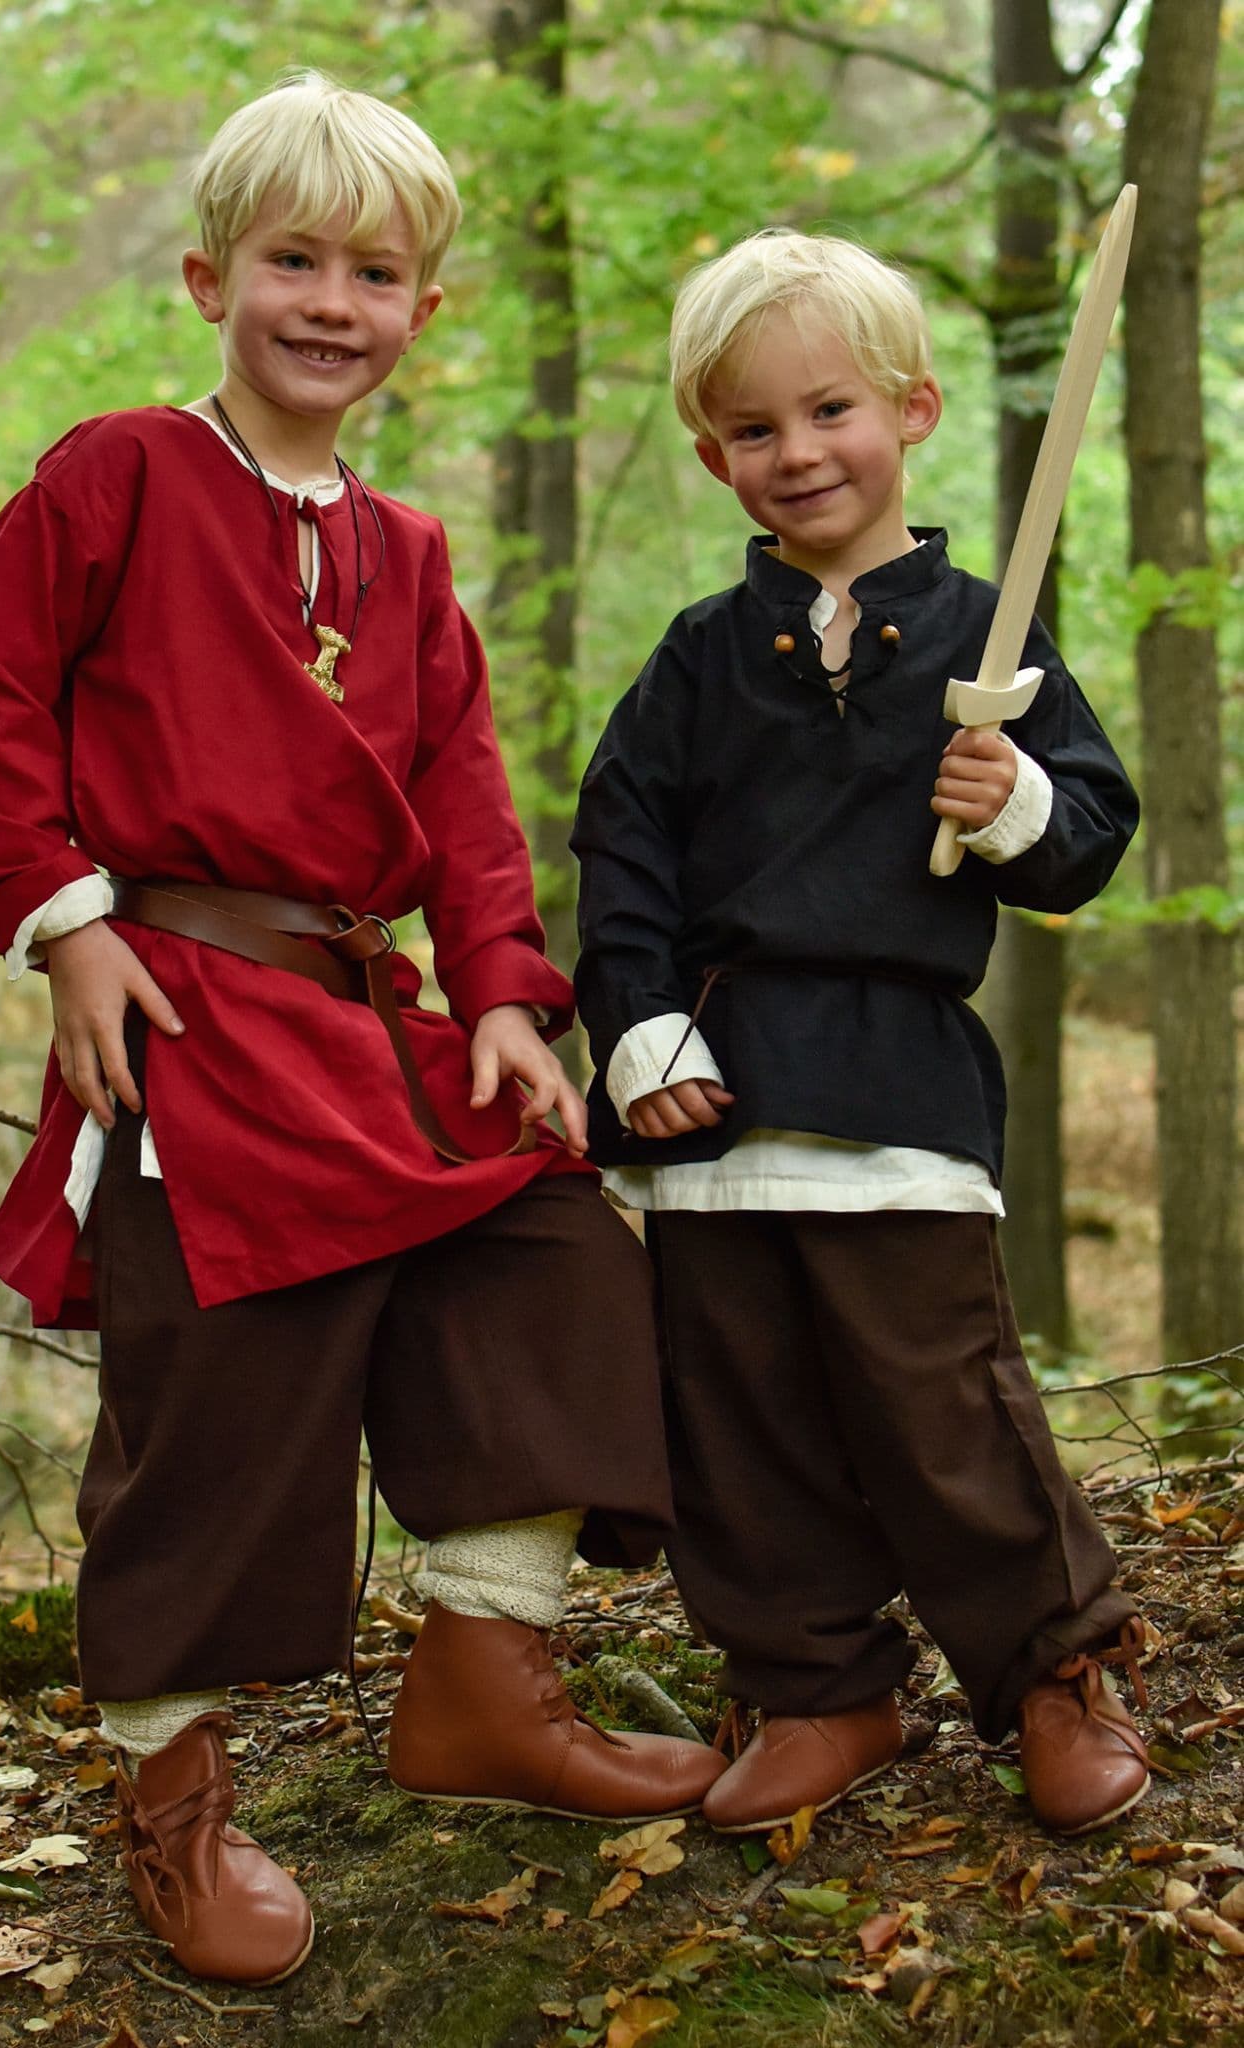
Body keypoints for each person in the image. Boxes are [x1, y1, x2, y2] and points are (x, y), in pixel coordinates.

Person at [0, 72, 724, 1987]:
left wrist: (514, 999)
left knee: (554, 1266)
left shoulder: (416, 555)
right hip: (183, 1022)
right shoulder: (114, 474)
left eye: (374, 270)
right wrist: (71, 926)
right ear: (213, 274)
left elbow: (461, 799)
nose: (330, 301)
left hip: (372, 1027)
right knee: (220, 1409)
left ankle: (481, 1687)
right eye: (294, 260)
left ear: (423, 313)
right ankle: (169, 1793)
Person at [572, 227, 1150, 1843]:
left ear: (909, 411)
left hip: (897, 1088)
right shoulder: (695, 659)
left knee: (941, 1408)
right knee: (739, 1428)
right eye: (752, 430)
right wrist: (630, 1036)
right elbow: (617, 855)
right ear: (710, 455)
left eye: (827, 411)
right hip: (715, 1088)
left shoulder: (990, 632)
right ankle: (820, 1688)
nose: (795, 453)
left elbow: (1090, 836)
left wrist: (1017, 794)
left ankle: (1051, 1673)